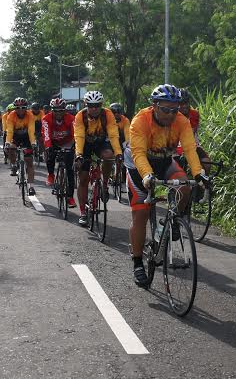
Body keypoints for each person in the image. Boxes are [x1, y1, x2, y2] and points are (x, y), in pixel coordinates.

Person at [124, 84, 206, 287]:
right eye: (165, 109)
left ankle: (169, 224)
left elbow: (189, 149)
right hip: (138, 167)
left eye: (174, 109)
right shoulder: (140, 121)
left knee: (185, 186)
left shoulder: (181, 121)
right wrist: (146, 176)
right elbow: (139, 154)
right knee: (141, 214)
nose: (171, 114)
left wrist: (199, 173)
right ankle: (137, 263)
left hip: (164, 162)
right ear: (154, 106)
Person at [73, 91, 121, 227]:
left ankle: (104, 183)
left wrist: (118, 153)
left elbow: (113, 134)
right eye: (91, 105)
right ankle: (83, 212)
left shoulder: (107, 114)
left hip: (101, 142)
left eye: (97, 105)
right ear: (86, 105)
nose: (94, 108)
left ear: (101, 105)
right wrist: (79, 154)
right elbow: (79, 137)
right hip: (85, 144)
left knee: (109, 156)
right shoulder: (80, 116)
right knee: (83, 179)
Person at [42, 97, 77, 208]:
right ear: (52, 110)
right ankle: (51, 174)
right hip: (53, 142)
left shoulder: (71, 118)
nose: (58, 113)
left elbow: (75, 134)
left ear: (64, 110)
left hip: (68, 142)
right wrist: (48, 147)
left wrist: (76, 147)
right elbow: (46, 134)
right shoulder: (46, 118)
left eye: (61, 110)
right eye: (55, 110)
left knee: (70, 169)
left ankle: (70, 197)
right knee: (49, 154)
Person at [3, 97, 37, 195]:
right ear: (15, 108)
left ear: (26, 108)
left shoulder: (30, 115)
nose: (21, 110)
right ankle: (13, 165)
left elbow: (31, 130)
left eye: (23, 108)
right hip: (15, 136)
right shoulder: (11, 116)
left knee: (29, 162)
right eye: (18, 108)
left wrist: (33, 143)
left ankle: (31, 186)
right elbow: (9, 131)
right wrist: (7, 142)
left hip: (27, 137)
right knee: (10, 148)